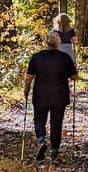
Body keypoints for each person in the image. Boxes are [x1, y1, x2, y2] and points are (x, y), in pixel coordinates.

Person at [24, 31, 78, 162]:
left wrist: (26, 89)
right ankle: (54, 150)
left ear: (46, 43)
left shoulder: (36, 57)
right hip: (59, 95)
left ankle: (41, 140)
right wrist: (75, 69)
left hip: (40, 95)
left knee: (39, 120)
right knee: (56, 123)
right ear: (58, 43)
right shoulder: (65, 58)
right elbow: (74, 77)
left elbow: (29, 77)